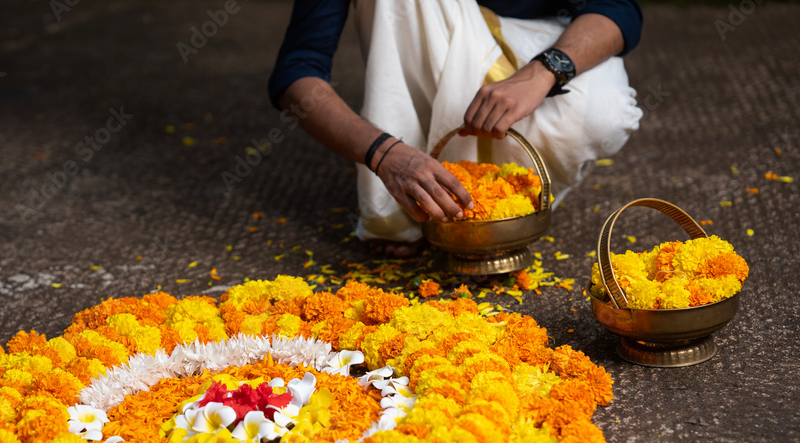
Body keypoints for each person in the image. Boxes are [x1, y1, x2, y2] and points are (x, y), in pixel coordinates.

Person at [268, 0, 645, 256]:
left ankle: (487, 201)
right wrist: (383, 153)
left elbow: (618, 7)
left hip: (541, 42)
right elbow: (298, 70)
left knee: (604, 115)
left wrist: (545, 70)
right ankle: (409, 208)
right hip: (425, 34)